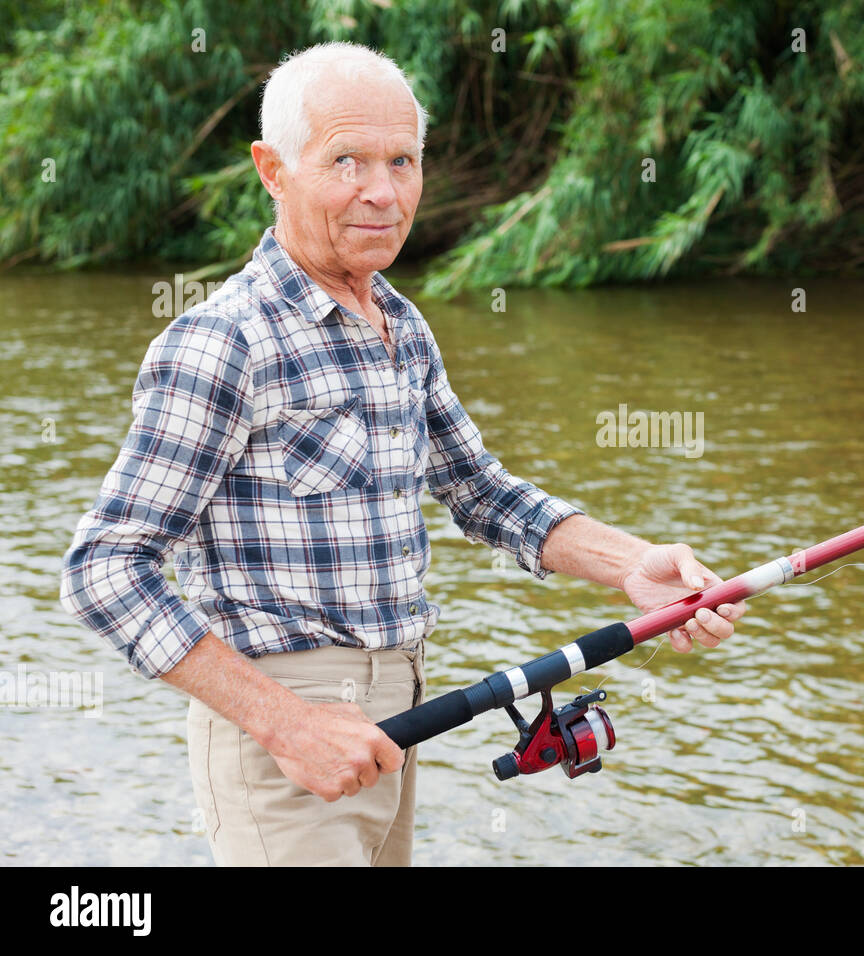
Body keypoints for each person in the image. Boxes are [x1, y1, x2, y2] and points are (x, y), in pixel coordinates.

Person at [59, 42, 745, 866]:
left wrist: (634, 564)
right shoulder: (222, 342)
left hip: (403, 716)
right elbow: (104, 568)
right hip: (288, 739)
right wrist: (287, 721)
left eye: (402, 161)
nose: (382, 192)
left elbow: (482, 493)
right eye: (345, 160)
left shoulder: (401, 323)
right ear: (273, 170)